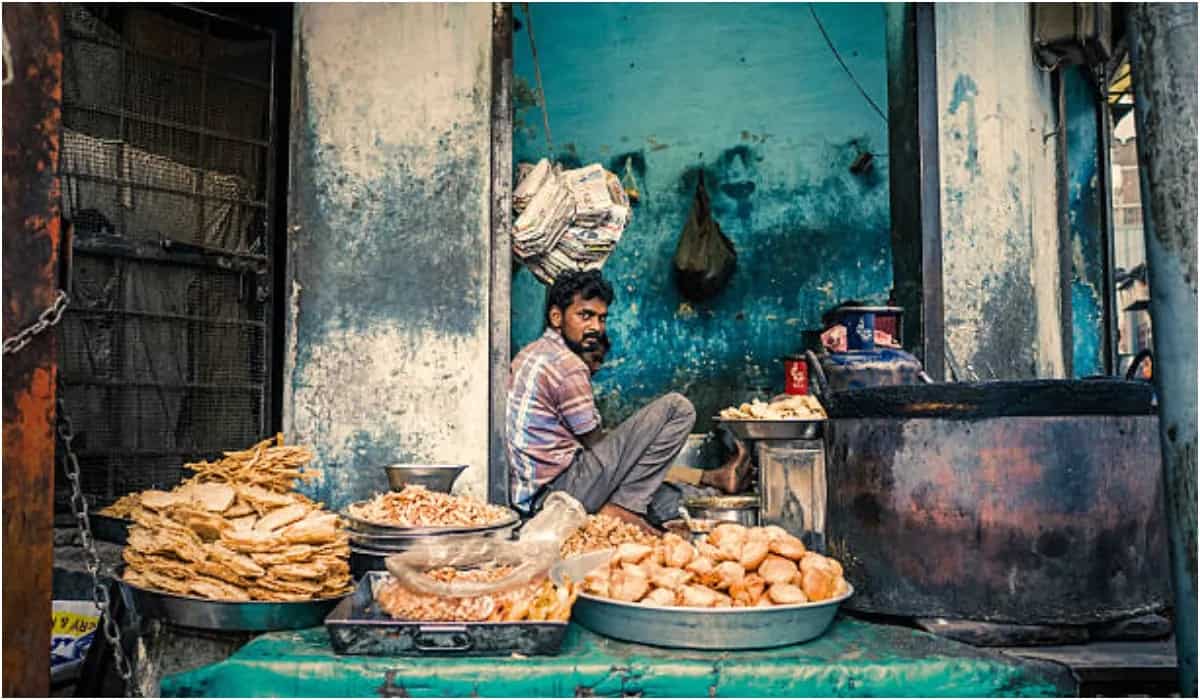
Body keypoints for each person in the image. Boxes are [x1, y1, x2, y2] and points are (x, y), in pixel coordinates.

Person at [505, 270, 751, 533]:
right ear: (557, 317)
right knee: (677, 408)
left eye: (601, 318)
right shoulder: (567, 366)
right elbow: (595, 444)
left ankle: (637, 503)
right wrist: (638, 443)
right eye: (584, 315)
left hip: (532, 494)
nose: (596, 327)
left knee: (670, 499)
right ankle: (626, 508)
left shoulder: (530, 354)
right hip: (559, 492)